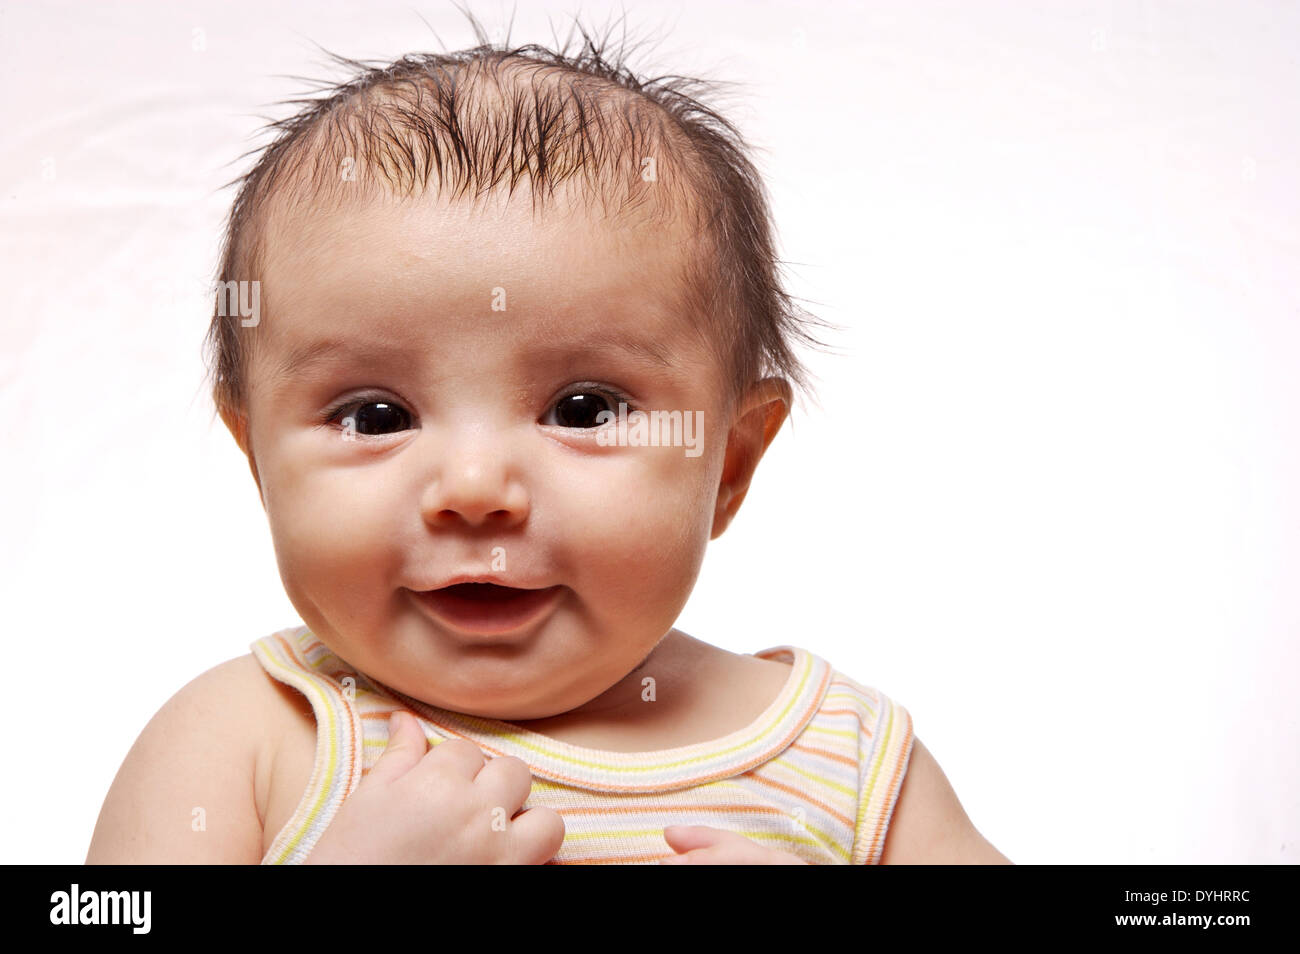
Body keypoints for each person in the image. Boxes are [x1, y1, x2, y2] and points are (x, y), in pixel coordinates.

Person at [86, 17, 1010, 865]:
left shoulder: (846, 761)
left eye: (583, 409)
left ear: (728, 462)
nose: (477, 487)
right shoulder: (244, 742)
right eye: (375, 416)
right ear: (257, 462)